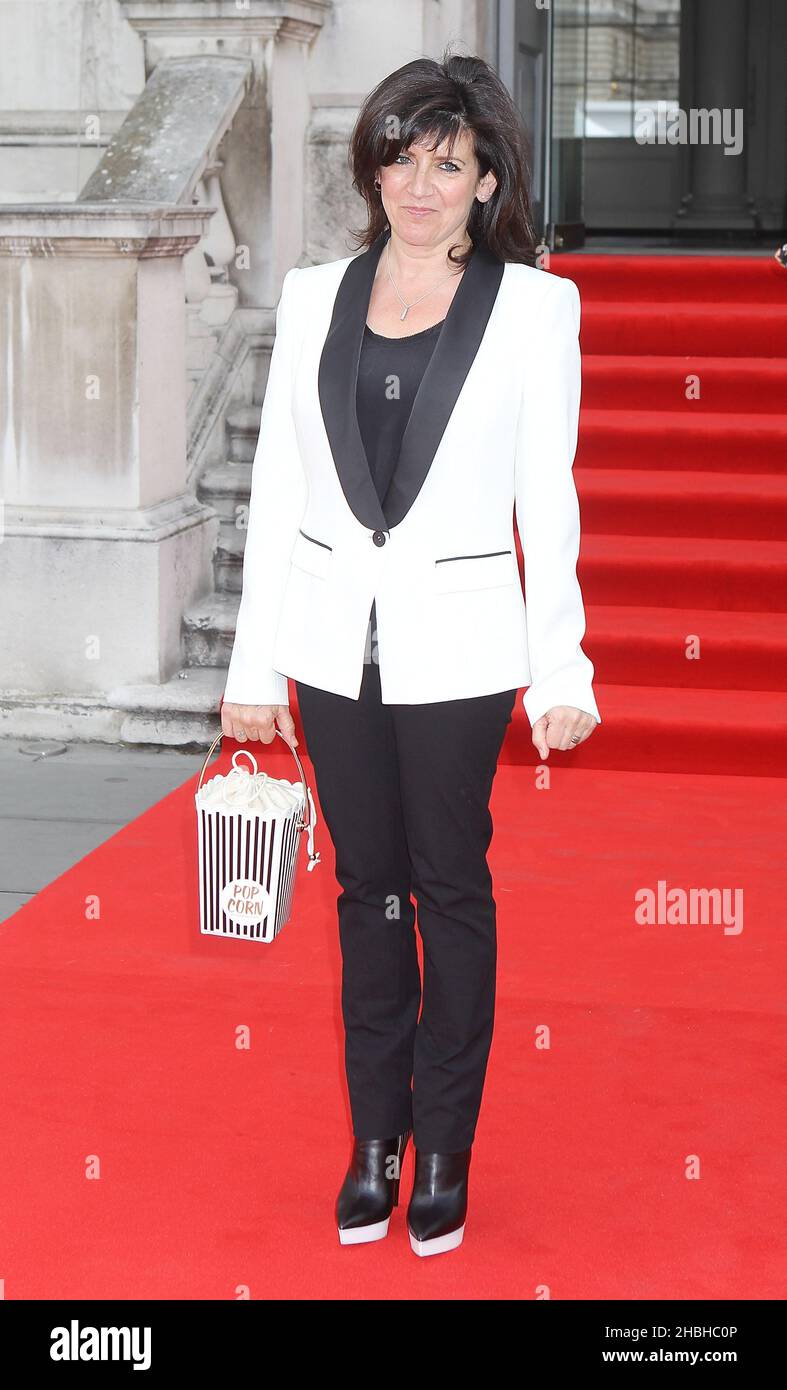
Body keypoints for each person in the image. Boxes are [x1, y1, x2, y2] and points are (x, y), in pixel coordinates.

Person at [220, 50, 600, 1257]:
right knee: (362, 893)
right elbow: (277, 489)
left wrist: (563, 665)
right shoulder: (313, 294)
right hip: (334, 647)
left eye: (449, 162)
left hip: (460, 649)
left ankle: (444, 1145)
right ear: (372, 164)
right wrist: (250, 667)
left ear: (486, 178)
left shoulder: (537, 309)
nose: (420, 184)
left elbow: (550, 500)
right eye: (401, 156)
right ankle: (372, 1143)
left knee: (449, 885)